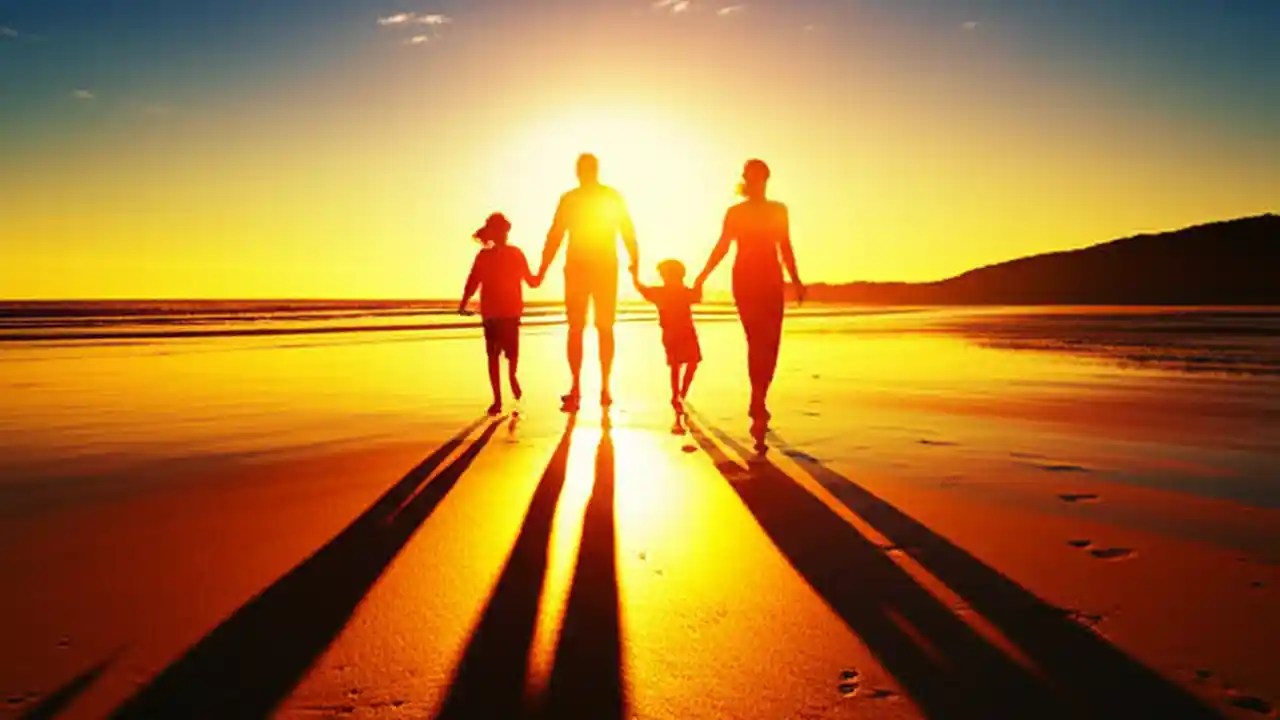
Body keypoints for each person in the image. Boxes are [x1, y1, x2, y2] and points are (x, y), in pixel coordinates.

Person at [694, 159, 804, 450]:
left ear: (766, 178)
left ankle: (759, 397)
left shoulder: (778, 210)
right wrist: (702, 276)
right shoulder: (736, 213)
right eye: (750, 177)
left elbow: (785, 245)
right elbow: (723, 245)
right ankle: (758, 401)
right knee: (757, 341)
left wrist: (795, 279)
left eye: (758, 177)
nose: (754, 182)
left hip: (771, 280)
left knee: (771, 344)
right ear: (746, 179)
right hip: (745, 279)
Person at [537, 153, 639, 413]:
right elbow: (627, 231)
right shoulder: (603, 197)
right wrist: (634, 261)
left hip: (586, 267)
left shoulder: (578, 198)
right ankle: (596, 387)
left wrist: (542, 269)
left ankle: (586, 387)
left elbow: (555, 235)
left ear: (580, 171)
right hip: (595, 267)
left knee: (583, 328)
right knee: (596, 327)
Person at [459, 212, 541, 416]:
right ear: (493, 233)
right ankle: (497, 399)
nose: (503, 234)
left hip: (508, 312)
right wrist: (463, 302)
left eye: (504, 230)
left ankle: (511, 378)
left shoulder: (515, 253)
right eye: (500, 230)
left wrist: (541, 274)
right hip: (493, 314)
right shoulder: (485, 256)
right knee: (494, 356)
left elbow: (531, 281)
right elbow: (473, 281)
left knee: (509, 355)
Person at [632, 259, 702, 426]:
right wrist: (634, 276)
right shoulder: (663, 292)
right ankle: (677, 394)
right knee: (678, 365)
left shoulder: (674, 292)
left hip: (683, 331)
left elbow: (697, 297)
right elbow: (642, 290)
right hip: (673, 332)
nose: (665, 278)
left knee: (690, 363)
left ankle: (681, 393)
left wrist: (634, 276)